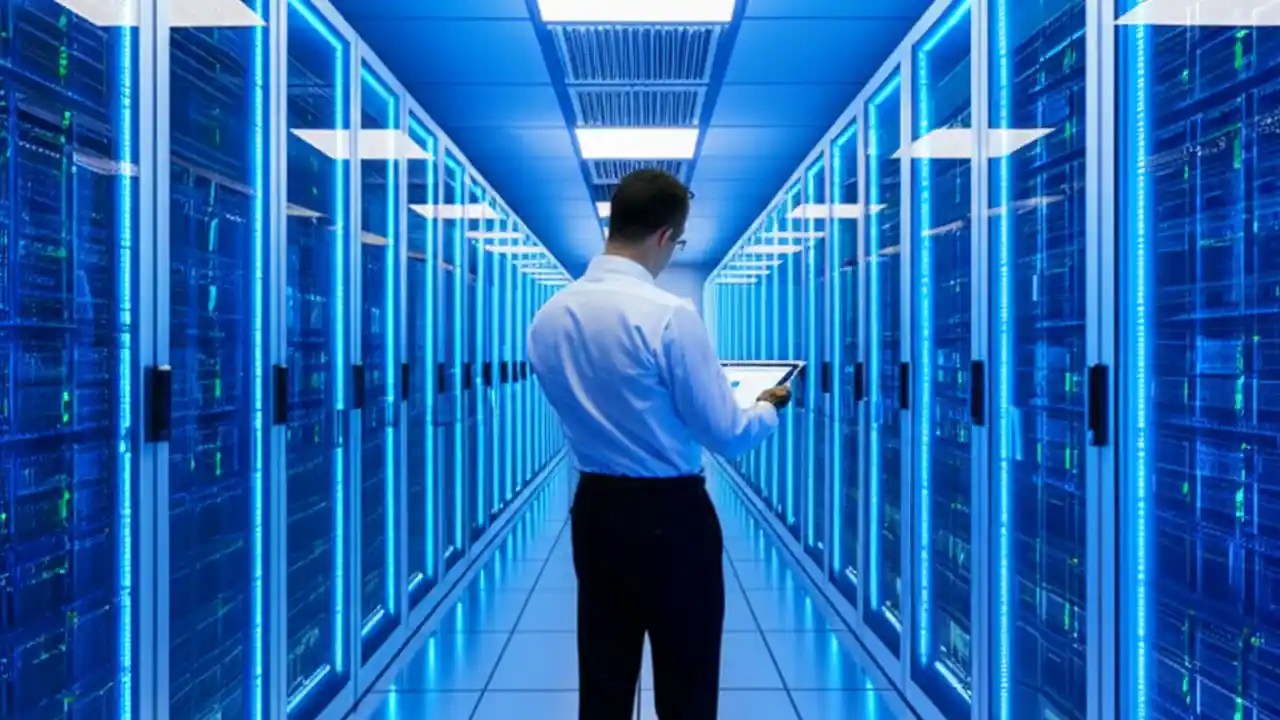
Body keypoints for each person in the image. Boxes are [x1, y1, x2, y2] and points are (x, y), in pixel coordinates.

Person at [527, 169, 791, 720]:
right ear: (667, 236)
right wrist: (768, 407)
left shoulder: (548, 319)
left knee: (603, 679)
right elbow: (726, 433)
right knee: (687, 682)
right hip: (672, 518)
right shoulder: (670, 316)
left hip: (595, 512)